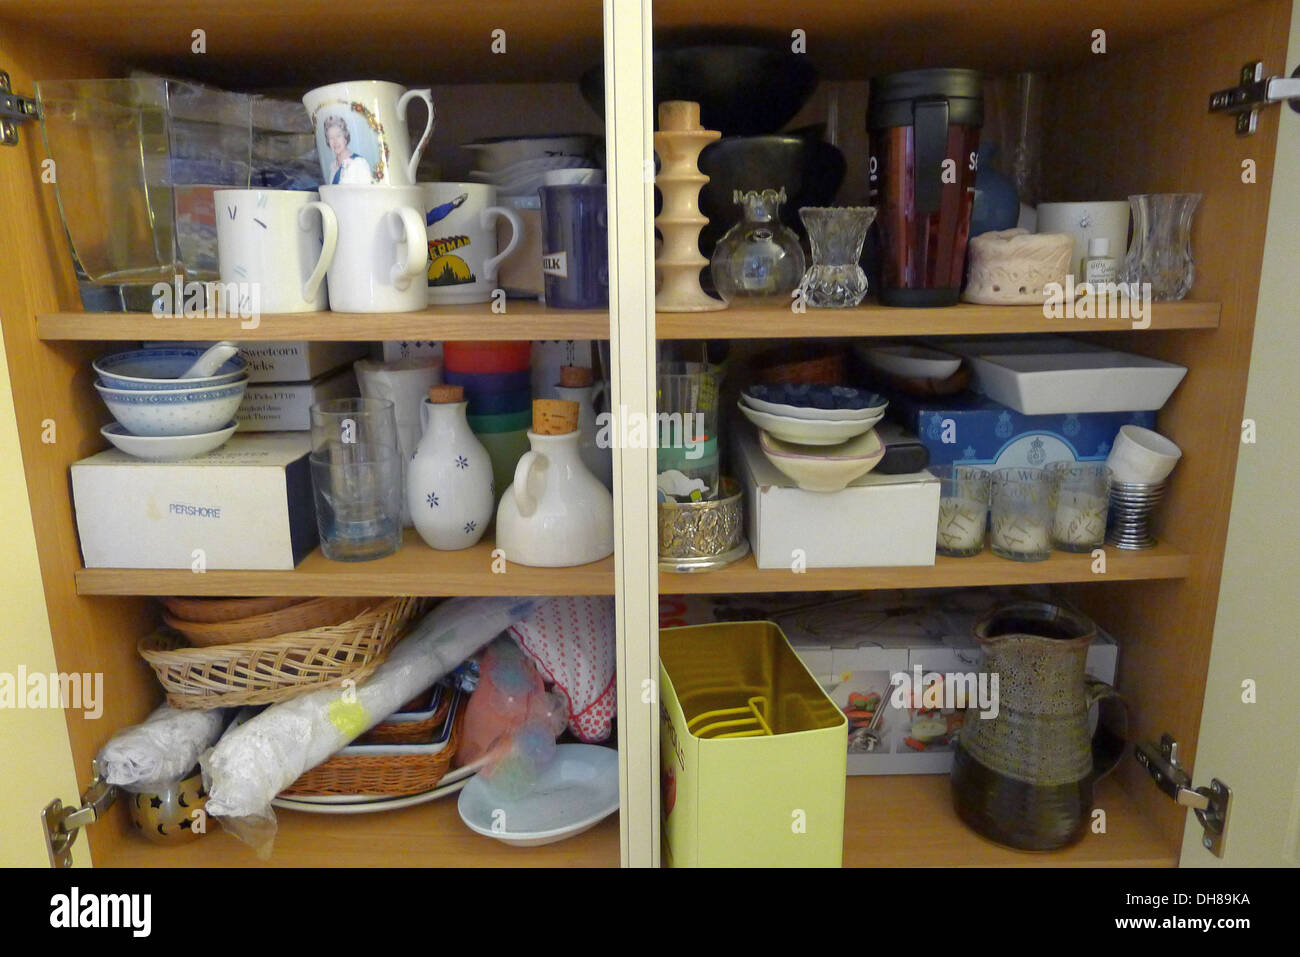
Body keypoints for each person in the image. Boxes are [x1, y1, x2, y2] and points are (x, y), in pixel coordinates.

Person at [324, 115, 373, 185]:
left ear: (345, 136)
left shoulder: (359, 163)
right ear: (328, 141)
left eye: (338, 136)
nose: (335, 142)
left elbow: (368, 193)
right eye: (331, 138)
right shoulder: (333, 166)